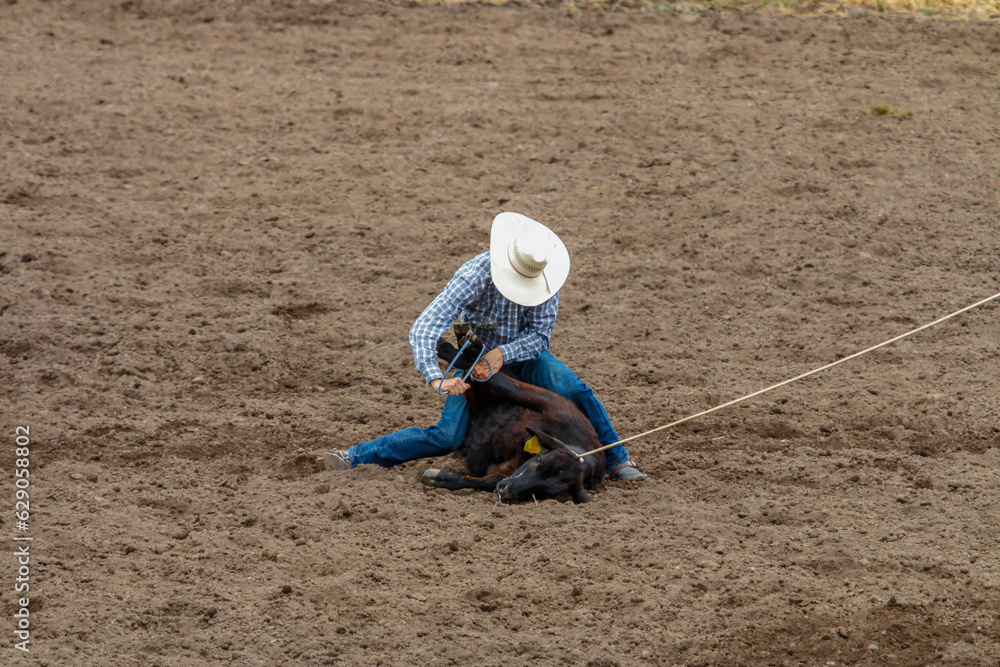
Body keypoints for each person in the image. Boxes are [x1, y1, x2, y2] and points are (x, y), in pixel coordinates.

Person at [321, 212, 647, 482]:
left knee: (574, 389)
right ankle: (354, 456)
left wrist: (502, 354)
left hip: (523, 356)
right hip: (474, 355)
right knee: (446, 436)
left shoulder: (546, 280)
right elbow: (424, 328)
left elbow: (539, 337)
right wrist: (436, 378)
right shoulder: (474, 275)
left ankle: (618, 459)